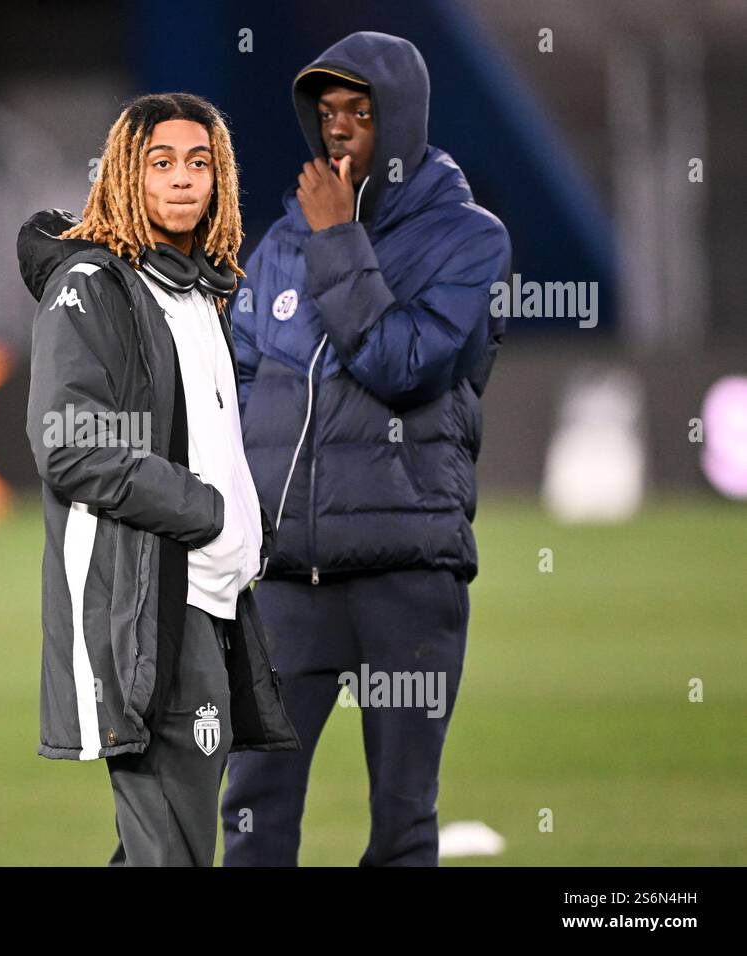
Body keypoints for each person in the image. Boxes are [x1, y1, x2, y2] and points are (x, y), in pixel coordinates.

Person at [220, 31, 512, 866]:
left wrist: (337, 239)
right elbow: (241, 385)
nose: (339, 129)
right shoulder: (279, 241)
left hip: (405, 574)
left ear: (406, 120)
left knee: (402, 822)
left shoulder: (469, 239)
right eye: (328, 112)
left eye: (361, 112)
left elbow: (405, 366)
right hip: (287, 580)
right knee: (253, 816)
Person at [18, 92, 299, 867]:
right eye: (161, 163)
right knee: (172, 844)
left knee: (163, 841)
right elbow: (69, 445)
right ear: (121, 176)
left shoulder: (200, 289)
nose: (183, 179)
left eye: (199, 162)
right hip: (148, 602)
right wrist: (207, 512)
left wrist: (246, 524)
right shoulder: (95, 286)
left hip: (208, 597)